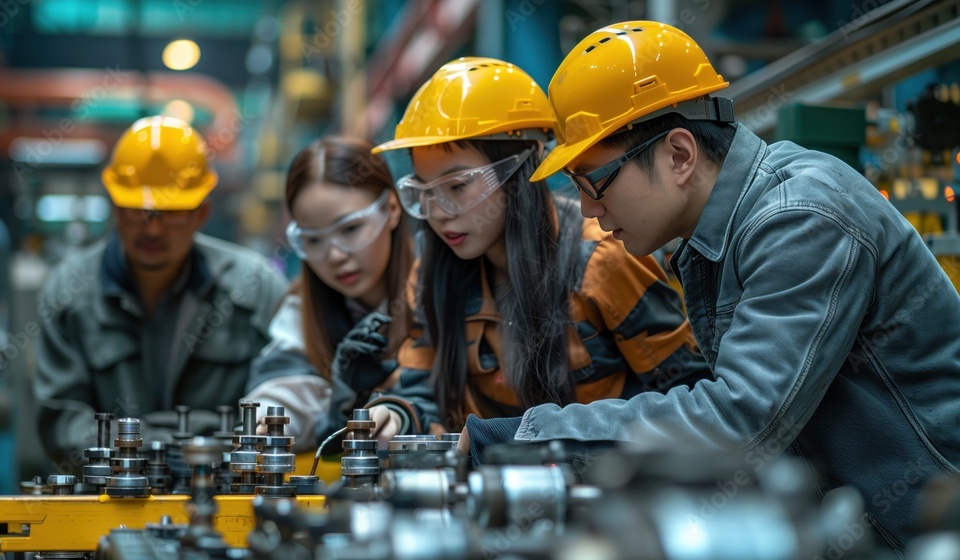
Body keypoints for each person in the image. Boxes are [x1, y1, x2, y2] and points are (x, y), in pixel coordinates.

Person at [520, 21, 960, 549]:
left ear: (679, 155)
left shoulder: (800, 217)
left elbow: (741, 419)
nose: (589, 208)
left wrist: (529, 436)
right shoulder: (713, 238)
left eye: (594, 182)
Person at [369, 57, 712, 444]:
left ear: (519, 170)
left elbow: (685, 399)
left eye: (457, 186)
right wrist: (396, 413)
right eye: (424, 194)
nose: (438, 213)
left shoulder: (604, 262)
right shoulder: (432, 276)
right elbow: (424, 388)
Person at [34, 116, 287, 471]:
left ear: (202, 213)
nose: (152, 229)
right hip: (109, 501)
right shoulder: (68, 294)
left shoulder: (255, 288)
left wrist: (150, 442)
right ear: (114, 208)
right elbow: (62, 424)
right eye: (137, 211)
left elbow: (281, 408)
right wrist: (173, 446)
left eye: (171, 213)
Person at [242, 137, 418, 450]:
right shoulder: (300, 313)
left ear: (391, 209)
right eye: (313, 239)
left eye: (349, 229)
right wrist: (271, 421)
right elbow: (279, 393)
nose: (334, 256)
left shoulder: (436, 292)